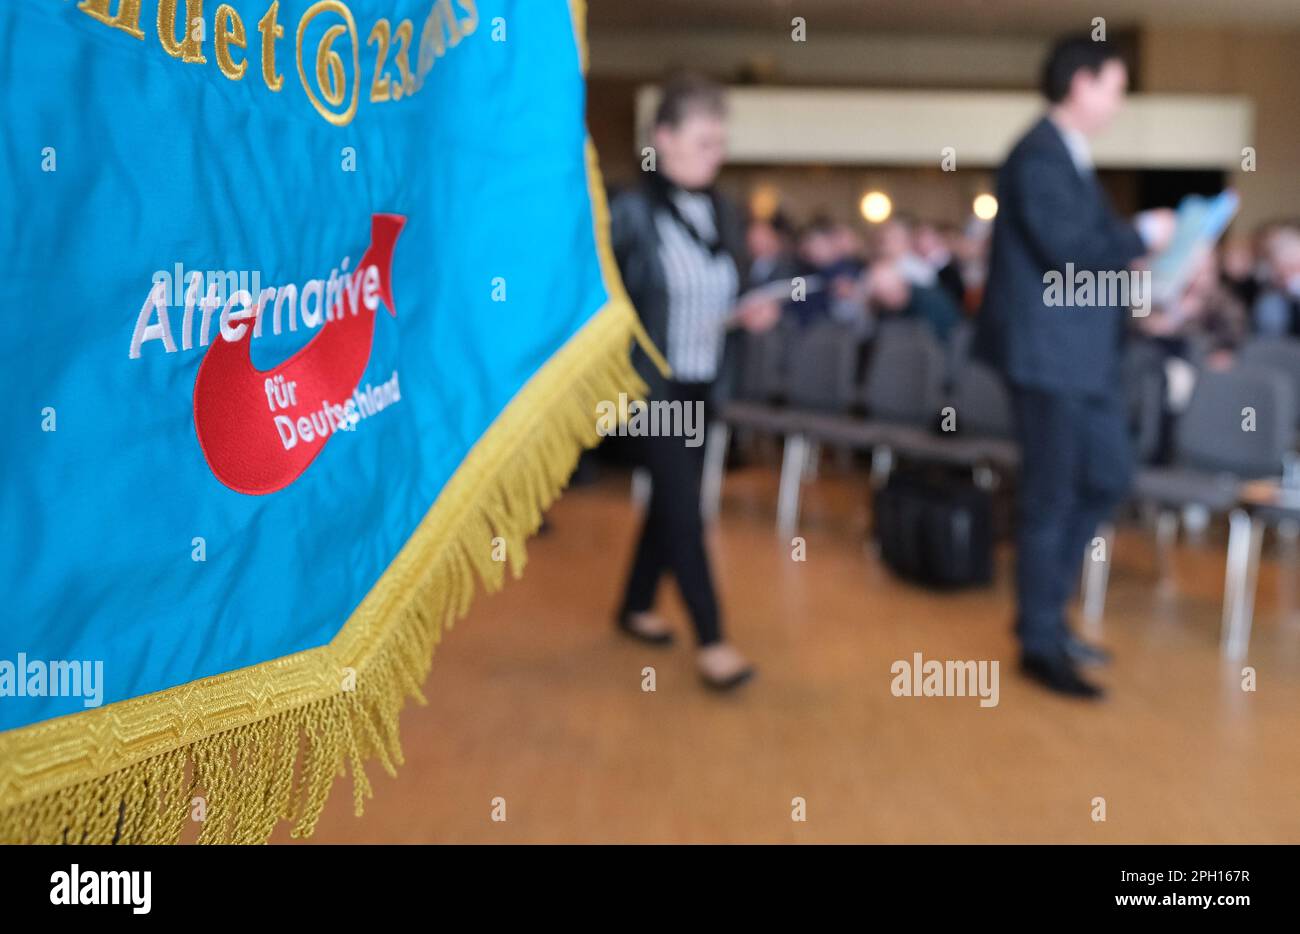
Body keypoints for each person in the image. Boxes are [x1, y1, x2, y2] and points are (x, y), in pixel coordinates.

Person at [975, 35, 1176, 699]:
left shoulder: (1068, 156)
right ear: (1081, 84)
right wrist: (1142, 235)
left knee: (1106, 476)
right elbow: (1067, 251)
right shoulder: (1039, 154)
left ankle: (1047, 617)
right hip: (1049, 358)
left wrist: (1135, 298)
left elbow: (1080, 266)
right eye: (1115, 88)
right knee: (1051, 495)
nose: (1119, 103)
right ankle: (1039, 637)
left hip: (1083, 357)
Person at [609, 74, 777, 691]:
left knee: (668, 501)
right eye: (704, 141)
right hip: (654, 388)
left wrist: (751, 312)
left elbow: (727, 288)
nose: (717, 154)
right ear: (664, 139)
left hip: (707, 380)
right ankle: (713, 640)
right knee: (685, 507)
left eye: (721, 142)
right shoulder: (628, 210)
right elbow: (609, 301)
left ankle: (634, 605)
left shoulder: (725, 210)